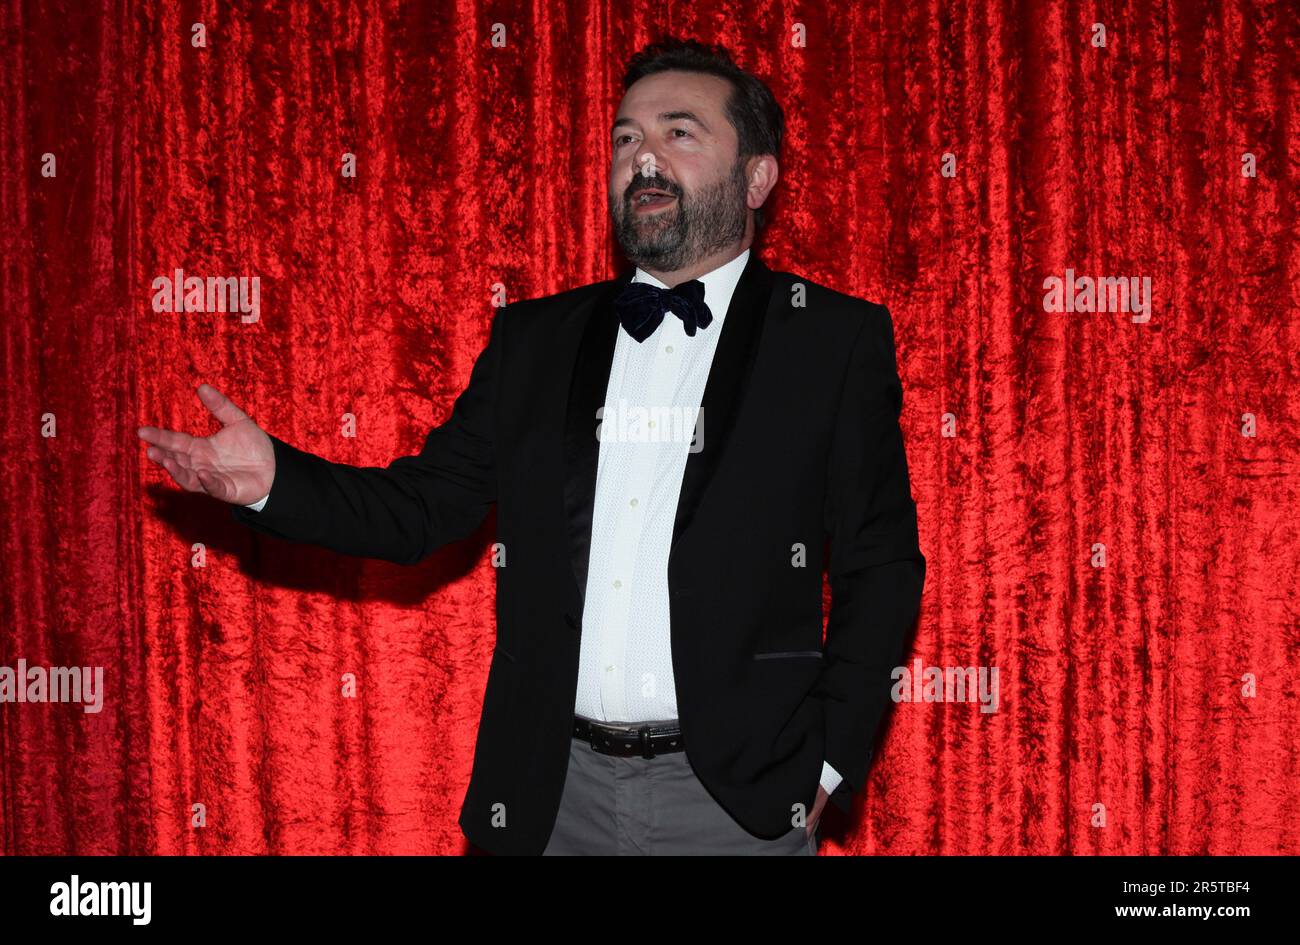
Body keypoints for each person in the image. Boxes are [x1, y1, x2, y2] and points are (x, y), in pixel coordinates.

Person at [138, 37, 926, 856]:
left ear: (758, 177)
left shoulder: (831, 341)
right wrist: (276, 481)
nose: (644, 158)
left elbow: (882, 562)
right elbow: (423, 509)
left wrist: (832, 759)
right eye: (626, 139)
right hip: (550, 797)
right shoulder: (535, 341)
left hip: (736, 802)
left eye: (679, 133)